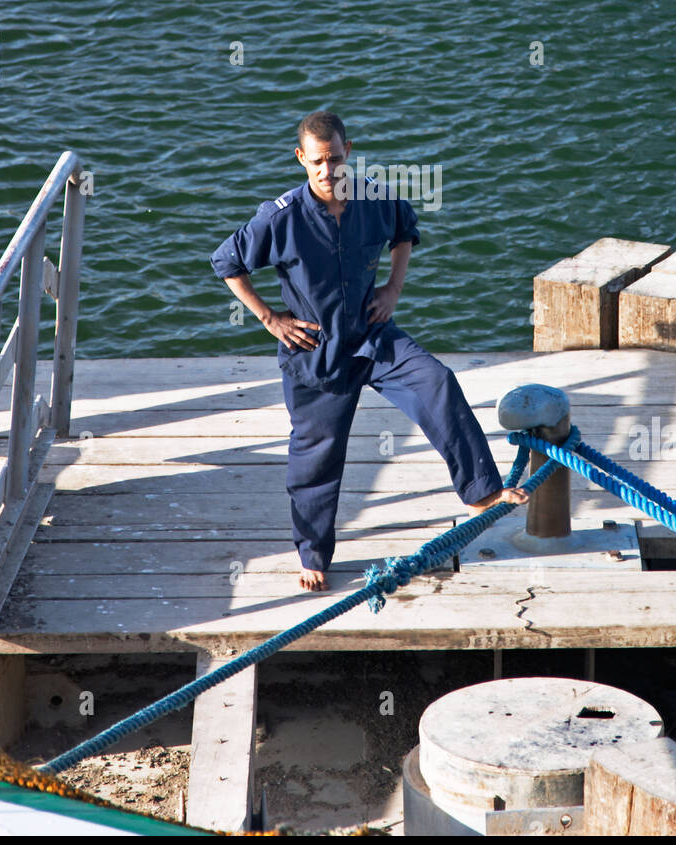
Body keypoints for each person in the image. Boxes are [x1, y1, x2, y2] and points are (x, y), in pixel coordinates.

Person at [210, 111, 526, 591]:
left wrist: (393, 287)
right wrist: (271, 319)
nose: (327, 171)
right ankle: (312, 553)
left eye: (335, 159)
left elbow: (405, 230)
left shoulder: (375, 198)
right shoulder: (278, 217)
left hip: (374, 336)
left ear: (349, 152)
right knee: (316, 457)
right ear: (301, 159)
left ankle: (480, 493)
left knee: (436, 382)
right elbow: (227, 262)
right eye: (316, 161)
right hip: (316, 353)